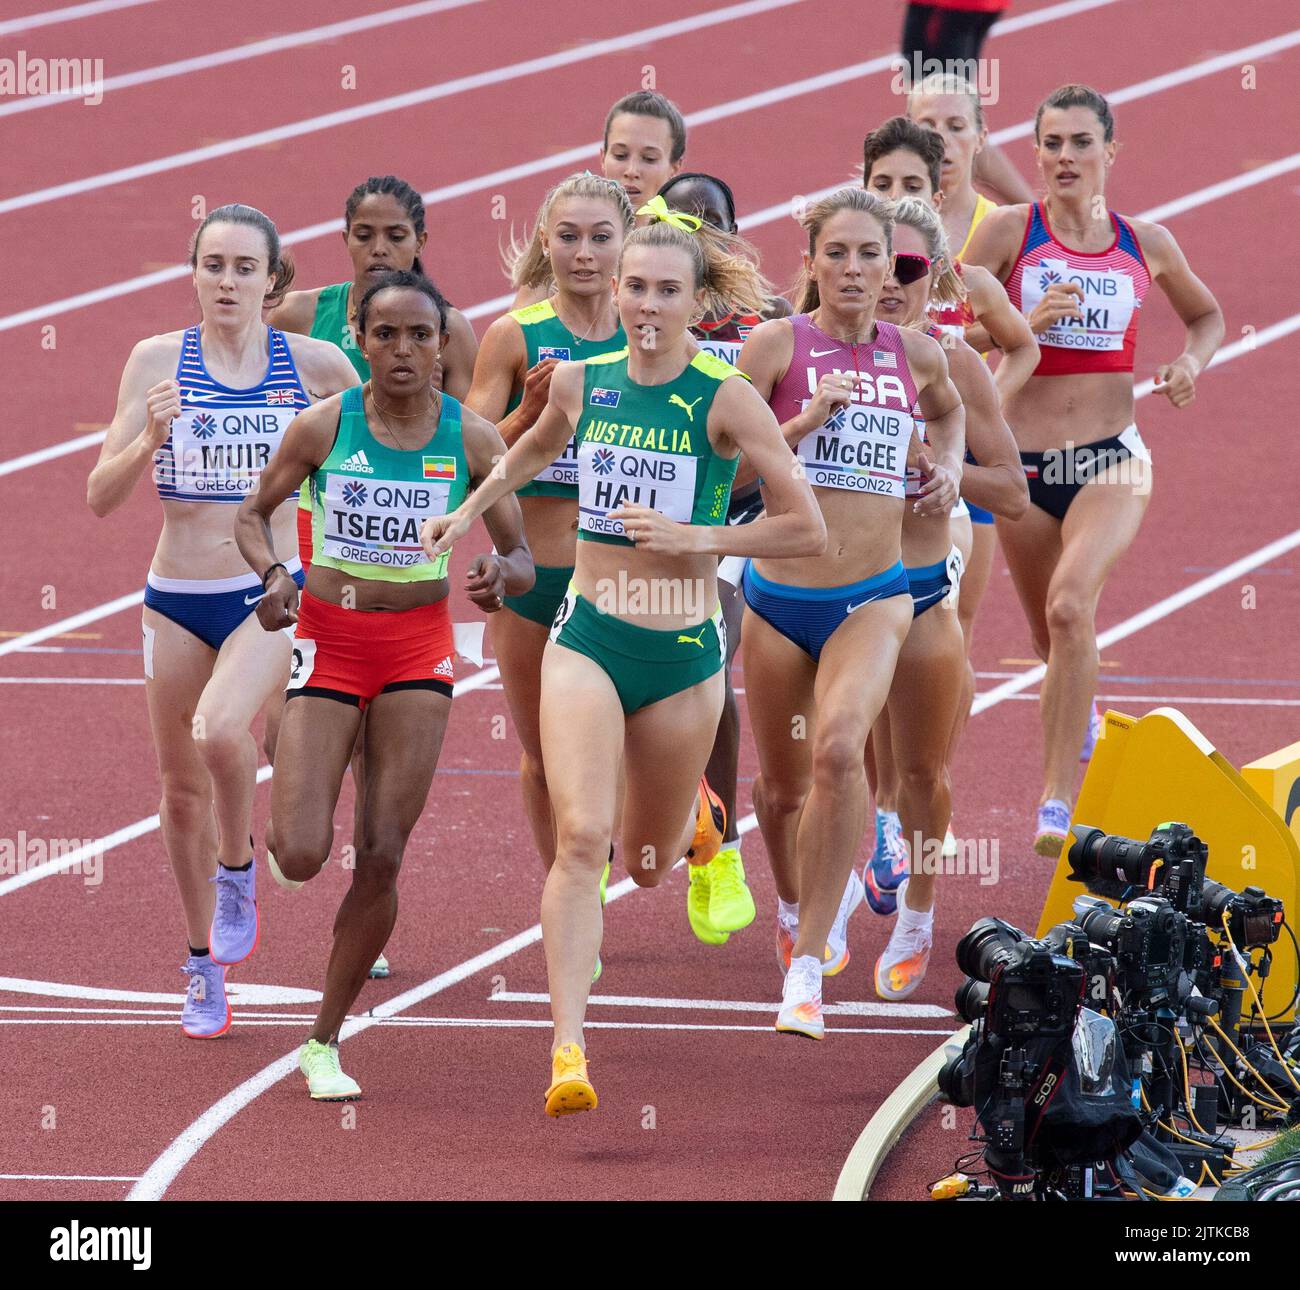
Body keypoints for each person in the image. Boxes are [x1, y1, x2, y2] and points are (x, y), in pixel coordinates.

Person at [421, 221, 825, 1113]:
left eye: (665, 291)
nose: (645, 306)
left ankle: (699, 823)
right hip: (591, 636)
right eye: (634, 287)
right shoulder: (580, 379)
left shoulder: (725, 399)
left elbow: (806, 526)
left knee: (647, 863)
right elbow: (531, 445)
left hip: (682, 655)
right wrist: (467, 509)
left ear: (697, 302)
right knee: (579, 840)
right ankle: (569, 1049)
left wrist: (702, 537)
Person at [236, 271, 533, 1099]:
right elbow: (251, 514)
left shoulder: (473, 439)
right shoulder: (324, 426)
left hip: (415, 647)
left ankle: (323, 1041)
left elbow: (521, 554)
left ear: (443, 346)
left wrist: (497, 576)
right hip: (329, 638)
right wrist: (271, 575)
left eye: (420, 336)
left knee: (382, 851)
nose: (403, 351)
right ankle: (301, 754)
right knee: (299, 850)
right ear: (360, 341)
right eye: (386, 335)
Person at [87, 205, 359, 1039]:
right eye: (214, 265)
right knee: (177, 794)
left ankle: (237, 866)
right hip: (175, 592)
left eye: (246, 268)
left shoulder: (314, 364)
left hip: (271, 591)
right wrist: (150, 438)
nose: (228, 282)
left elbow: (383, 444)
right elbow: (101, 496)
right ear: (193, 273)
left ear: (274, 280)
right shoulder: (155, 362)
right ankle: (203, 964)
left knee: (218, 731)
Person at [964, 85, 1222, 853]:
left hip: (1113, 460)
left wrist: (1190, 363)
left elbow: (1206, 316)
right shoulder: (1010, 234)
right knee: (1054, 642)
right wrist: (1019, 328)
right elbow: (942, 340)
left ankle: (1053, 804)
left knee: (1073, 608)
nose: (1065, 156)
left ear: (1112, 151)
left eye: (1081, 142)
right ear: (1035, 152)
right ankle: (1082, 718)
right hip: (1022, 469)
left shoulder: (1148, 243)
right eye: (1051, 142)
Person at [737, 188, 963, 1038]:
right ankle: (802, 910)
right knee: (780, 786)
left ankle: (821, 964)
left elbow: (948, 411)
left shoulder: (920, 356)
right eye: (839, 253)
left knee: (846, 755)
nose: (858, 270)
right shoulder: (774, 347)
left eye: (873, 254)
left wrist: (942, 467)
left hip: (876, 596)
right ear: (813, 262)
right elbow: (722, 477)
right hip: (778, 597)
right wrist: (801, 424)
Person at [269, 175, 478, 979]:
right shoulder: (302, 313)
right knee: (288, 742)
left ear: (419, 241)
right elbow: (246, 363)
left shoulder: (443, 328)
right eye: (364, 234)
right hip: (315, 554)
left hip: (404, 570)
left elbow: (459, 432)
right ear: (345, 237)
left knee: (377, 766)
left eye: (395, 235)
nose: (379, 248)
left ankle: (366, 898)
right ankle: (302, 789)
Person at [862, 115, 1036, 871]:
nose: (896, 195)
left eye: (909, 185)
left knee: (941, 646)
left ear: (937, 189)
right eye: (881, 184)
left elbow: (1020, 344)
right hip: (856, 515)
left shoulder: (964, 287)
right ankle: (884, 810)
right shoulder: (840, 276)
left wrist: (952, 445)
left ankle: (921, 781)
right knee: (865, 661)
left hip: (951, 506)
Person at [468, 174, 632, 968]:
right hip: (536, 578)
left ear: (625, 244)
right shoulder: (515, 336)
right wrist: (526, 419)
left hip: (626, 579)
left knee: (627, 740)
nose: (583, 252)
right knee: (540, 751)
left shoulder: (656, 336)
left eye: (601, 236)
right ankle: (574, 899)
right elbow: (461, 457)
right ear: (543, 241)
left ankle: (678, 825)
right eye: (567, 235)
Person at [655, 171, 790, 944]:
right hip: (638, 528)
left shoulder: (770, 321)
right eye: (680, 216)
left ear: (734, 231)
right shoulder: (641, 310)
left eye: (711, 217)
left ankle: (723, 845)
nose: (696, 227)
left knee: (708, 658)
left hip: (735, 523)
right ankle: (667, 814)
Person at [510, 91, 687, 308]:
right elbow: (516, 328)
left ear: (675, 168)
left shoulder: (685, 247)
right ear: (603, 158)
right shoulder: (567, 235)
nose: (631, 171)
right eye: (620, 156)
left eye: (649, 159)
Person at [897, 1, 1033, 205]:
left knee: (945, 121)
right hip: (971, 7)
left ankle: (1038, 218)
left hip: (946, 6)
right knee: (945, 117)